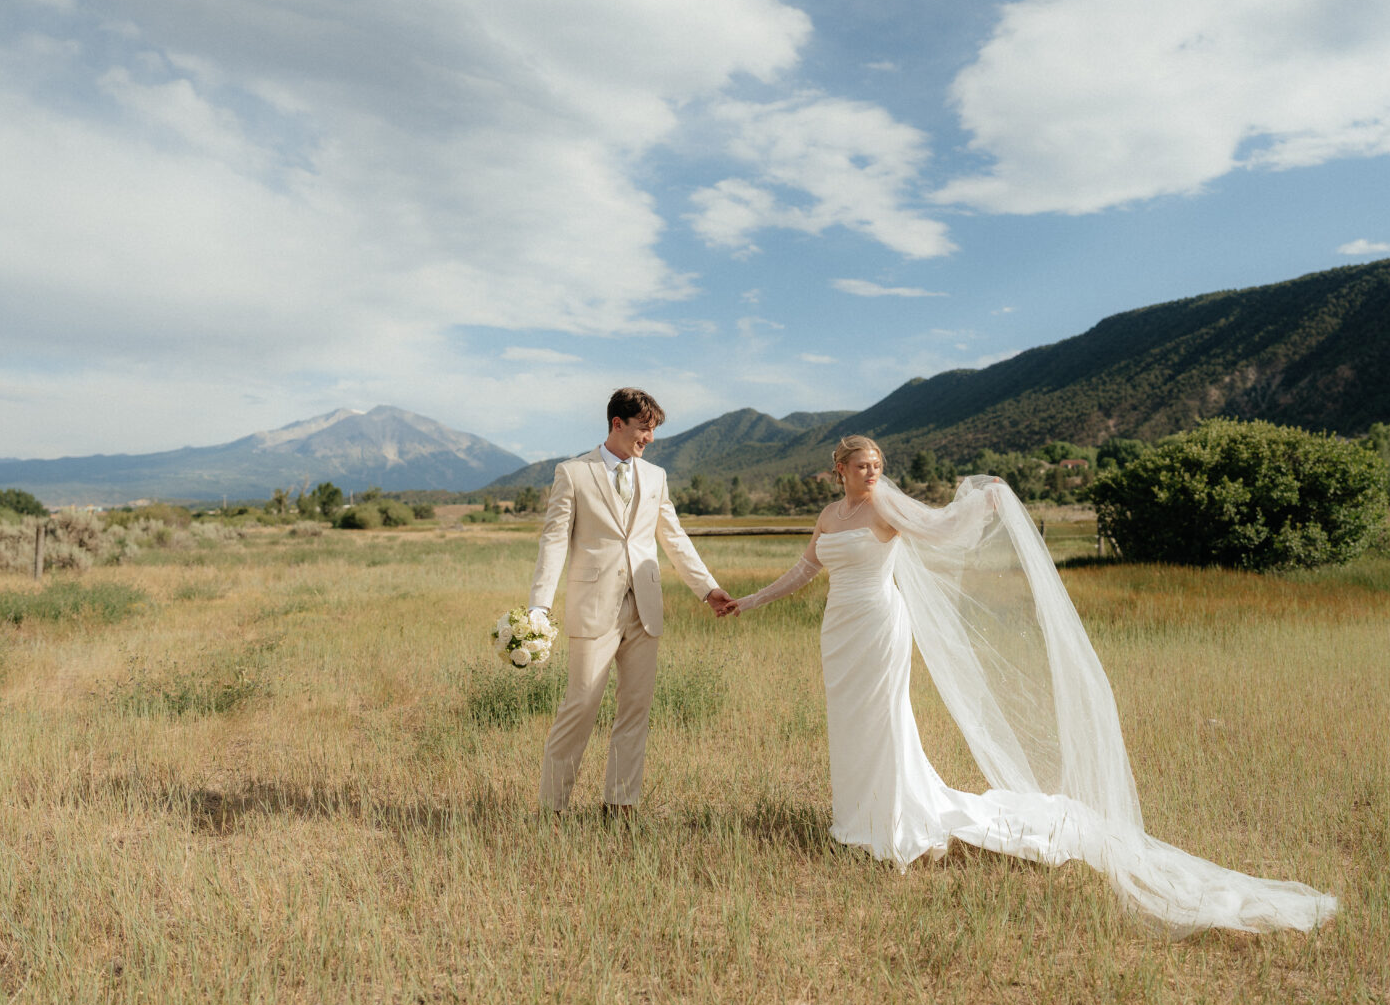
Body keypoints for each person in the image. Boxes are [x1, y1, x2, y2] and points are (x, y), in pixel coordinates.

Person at [725, 435, 1337, 936]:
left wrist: (980, 504)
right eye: (862, 466)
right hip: (840, 631)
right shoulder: (831, 516)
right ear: (839, 470)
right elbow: (807, 568)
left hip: (882, 626)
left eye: (878, 465)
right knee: (851, 725)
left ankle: (893, 828)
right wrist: (749, 601)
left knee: (886, 721)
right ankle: (856, 821)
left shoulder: (887, 507)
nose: (871, 473)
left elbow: (940, 529)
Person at [529, 388, 738, 818]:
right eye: (644, 428)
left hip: (645, 607)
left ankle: (620, 804)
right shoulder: (572, 473)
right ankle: (552, 807)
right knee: (581, 705)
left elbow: (673, 537)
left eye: (654, 430)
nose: (650, 438)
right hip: (593, 607)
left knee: (635, 709)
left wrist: (707, 588)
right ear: (617, 424)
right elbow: (553, 541)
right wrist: (539, 606)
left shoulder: (656, 477)